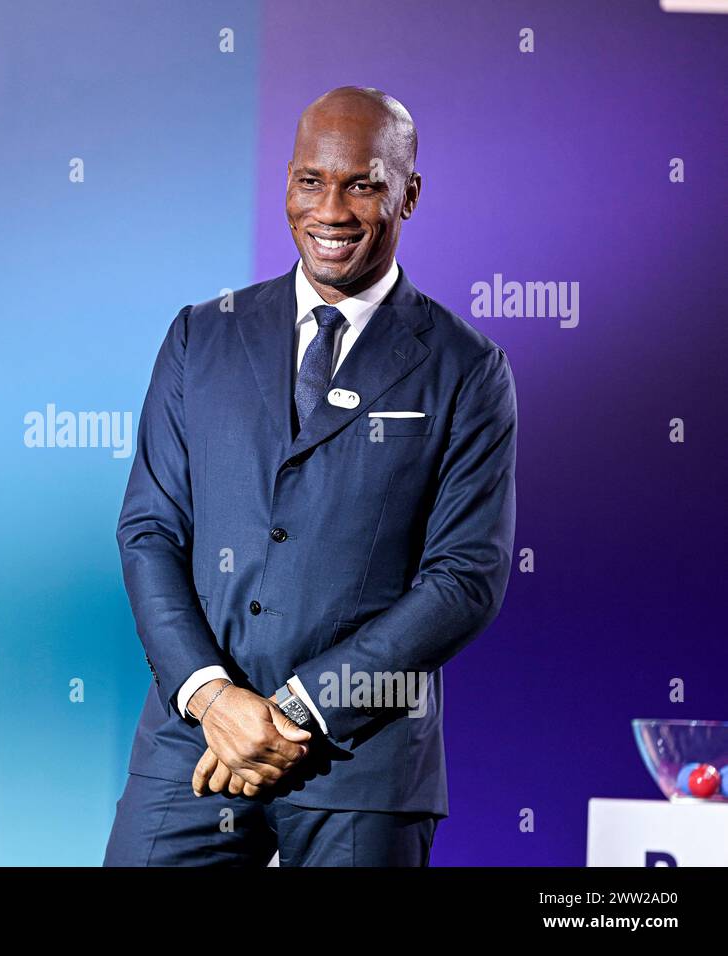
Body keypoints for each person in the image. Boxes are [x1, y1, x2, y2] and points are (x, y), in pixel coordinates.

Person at [104, 86, 517, 866]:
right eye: (309, 181)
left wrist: (299, 708)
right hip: (192, 746)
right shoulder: (202, 335)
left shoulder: (467, 368)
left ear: (409, 193)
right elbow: (150, 530)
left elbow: (466, 577)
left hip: (365, 759)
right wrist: (212, 695)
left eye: (362, 183)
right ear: (288, 182)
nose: (331, 210)